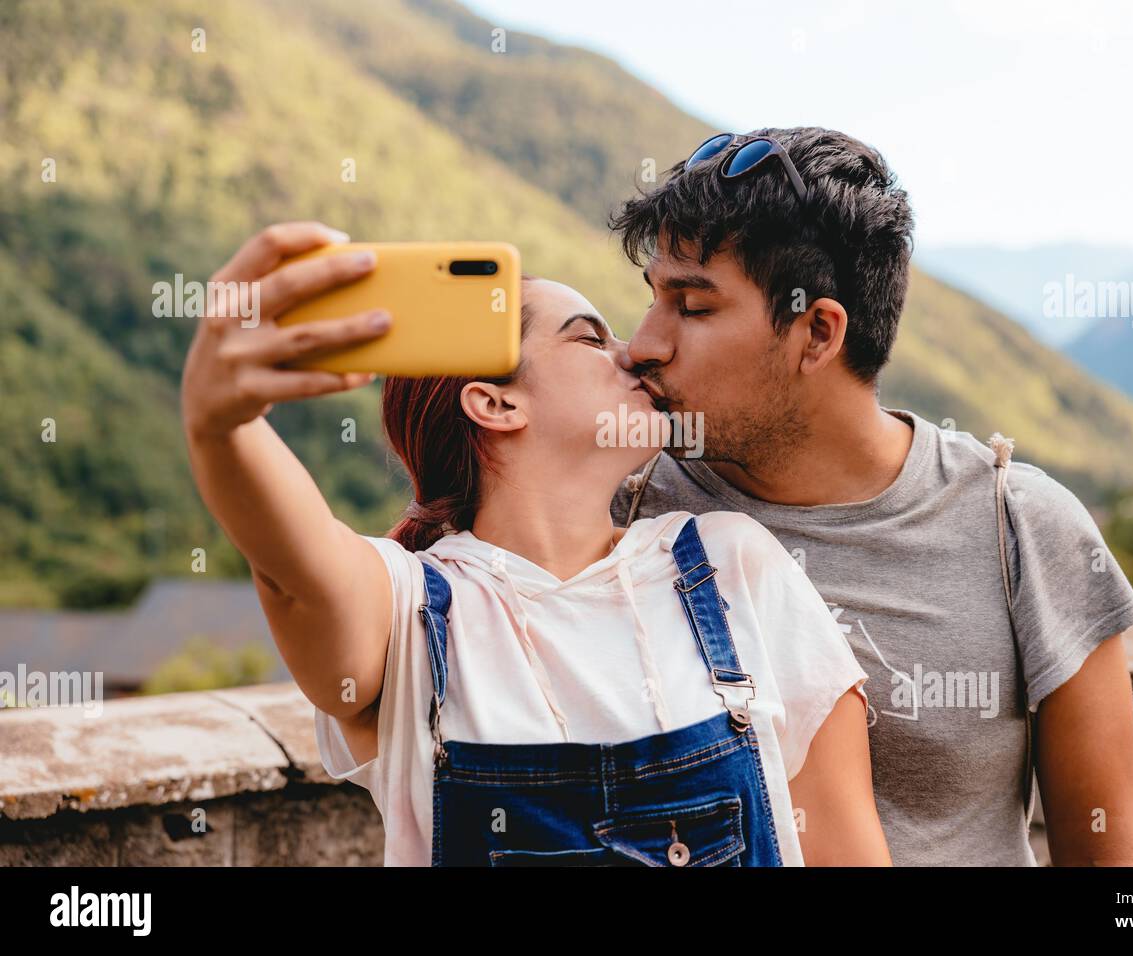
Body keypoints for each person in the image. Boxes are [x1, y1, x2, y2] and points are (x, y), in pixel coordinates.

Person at [179, 222, 893, 866]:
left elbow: (845, 851)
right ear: (495, 403)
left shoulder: (732, 565)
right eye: (590, 338)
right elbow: (292, 563)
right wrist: (222, 426)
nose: (638, 353)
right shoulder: (409, 612)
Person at [606, 127, 1133, 866]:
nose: (642, 344)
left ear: (817, 332)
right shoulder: (619, 513)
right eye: (653, 300)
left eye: (692, 306)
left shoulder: (1021, 528)